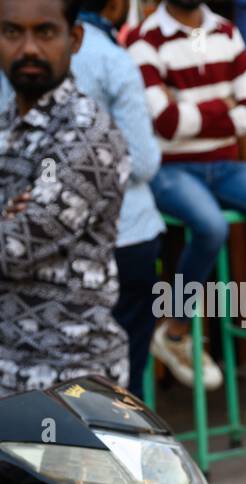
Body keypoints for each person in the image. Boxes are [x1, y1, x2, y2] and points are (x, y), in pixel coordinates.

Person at [126, 0, 246, 392]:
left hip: (226, 167)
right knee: (210, 228)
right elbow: (165, 121)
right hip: (170, 169)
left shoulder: (226, 31)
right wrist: (222, 107)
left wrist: (189, 108)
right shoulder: (144, 40)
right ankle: (174, 331)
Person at [0, 0, 166, 398]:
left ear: (73, 38)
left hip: (68, 382)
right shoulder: (9, 121)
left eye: (44, 32)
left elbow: (14, 247)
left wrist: (13, 221)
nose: (29, 49)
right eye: (12, 33)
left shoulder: (86, 137)